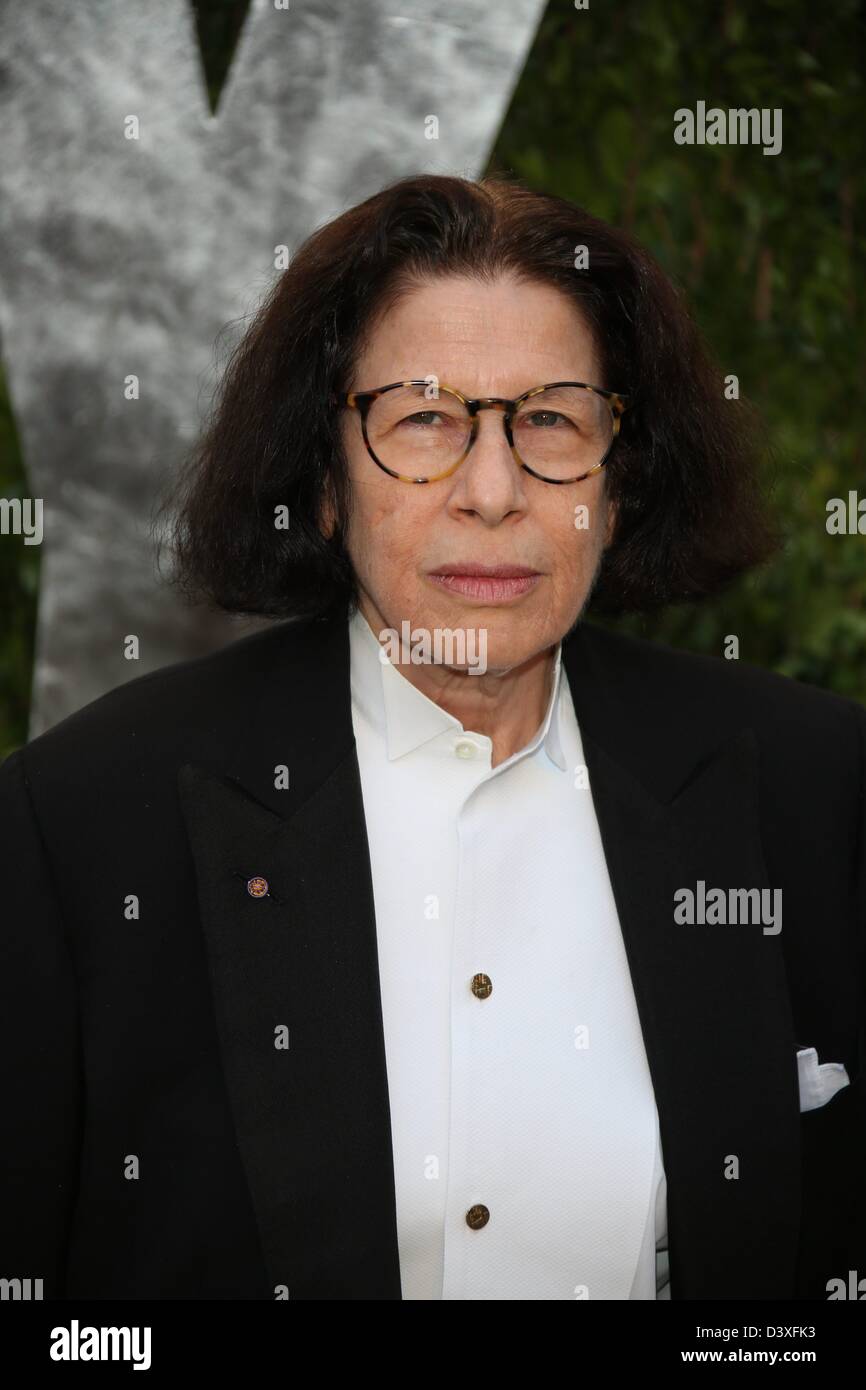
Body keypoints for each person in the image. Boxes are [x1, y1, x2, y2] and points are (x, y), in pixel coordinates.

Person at [1, 174, 863, 1301]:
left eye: (549, 418)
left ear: (617, 477)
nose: (492, 488)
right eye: (422, 419)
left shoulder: (817, 789)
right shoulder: (81, 823)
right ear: (321, 479)